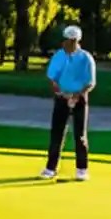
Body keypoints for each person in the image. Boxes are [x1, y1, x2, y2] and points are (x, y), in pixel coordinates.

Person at [39, 24, 96, 182]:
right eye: (66, 40)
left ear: (77, 41)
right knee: (56, 134)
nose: (67, 43)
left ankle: (82, 169)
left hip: (80, 98)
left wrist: (76, 96)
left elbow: (90, 82)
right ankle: (51, 168)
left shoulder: (86, 58)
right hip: (61, 98)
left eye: (71, 41)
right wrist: (60, 93)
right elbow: (52, 78)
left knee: (80, 135)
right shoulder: (59, 56)